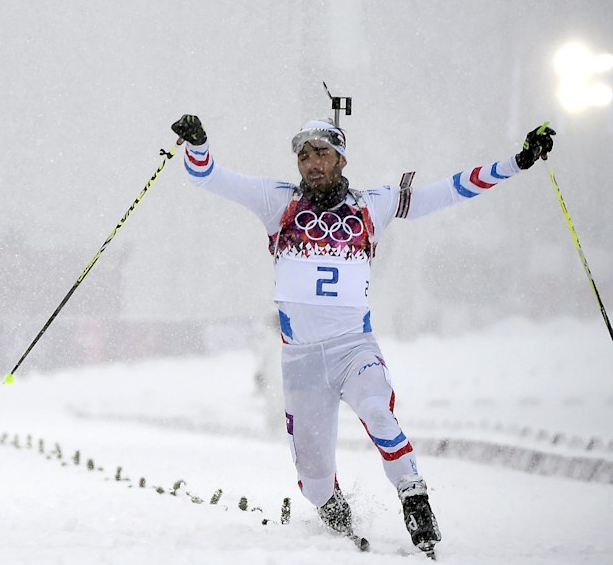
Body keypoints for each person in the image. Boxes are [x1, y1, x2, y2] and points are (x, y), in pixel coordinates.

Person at [170, 112, 555, 555]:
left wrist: (517, 163)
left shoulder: (373, 204)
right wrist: (197, 145)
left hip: (353, 348)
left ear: (341, 158)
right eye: (304, 156)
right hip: (302, 362)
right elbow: (209, 178)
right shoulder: (276, 201)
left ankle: (415, 497)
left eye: (322, 154)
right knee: (313, 485)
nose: (313, 164)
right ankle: (333, 509)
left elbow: (449, 191)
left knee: (378, 411)